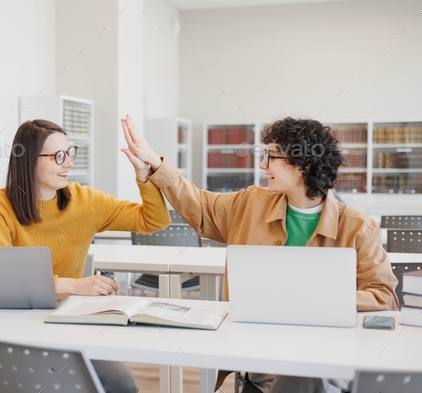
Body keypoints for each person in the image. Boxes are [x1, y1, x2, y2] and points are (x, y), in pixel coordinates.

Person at [121, 114, 399, 393]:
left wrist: (314, 298)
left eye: (271, 157)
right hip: (262, 352)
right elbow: (200, 207)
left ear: (306, 164)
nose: (262, 165)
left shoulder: (359, 227)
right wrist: (156, 164)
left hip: (325, 354)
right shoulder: (251, 202)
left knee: (305, 373)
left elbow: (383, 296)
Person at [0, 119, 171, 393]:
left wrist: (143, 175)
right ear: (30, 160)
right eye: (58, 156)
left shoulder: (84, 201)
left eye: (70, 153)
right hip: (13, 323)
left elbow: (155, 220)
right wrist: (72, 285)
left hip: (69, 321)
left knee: (121, 384)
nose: (68, 163)